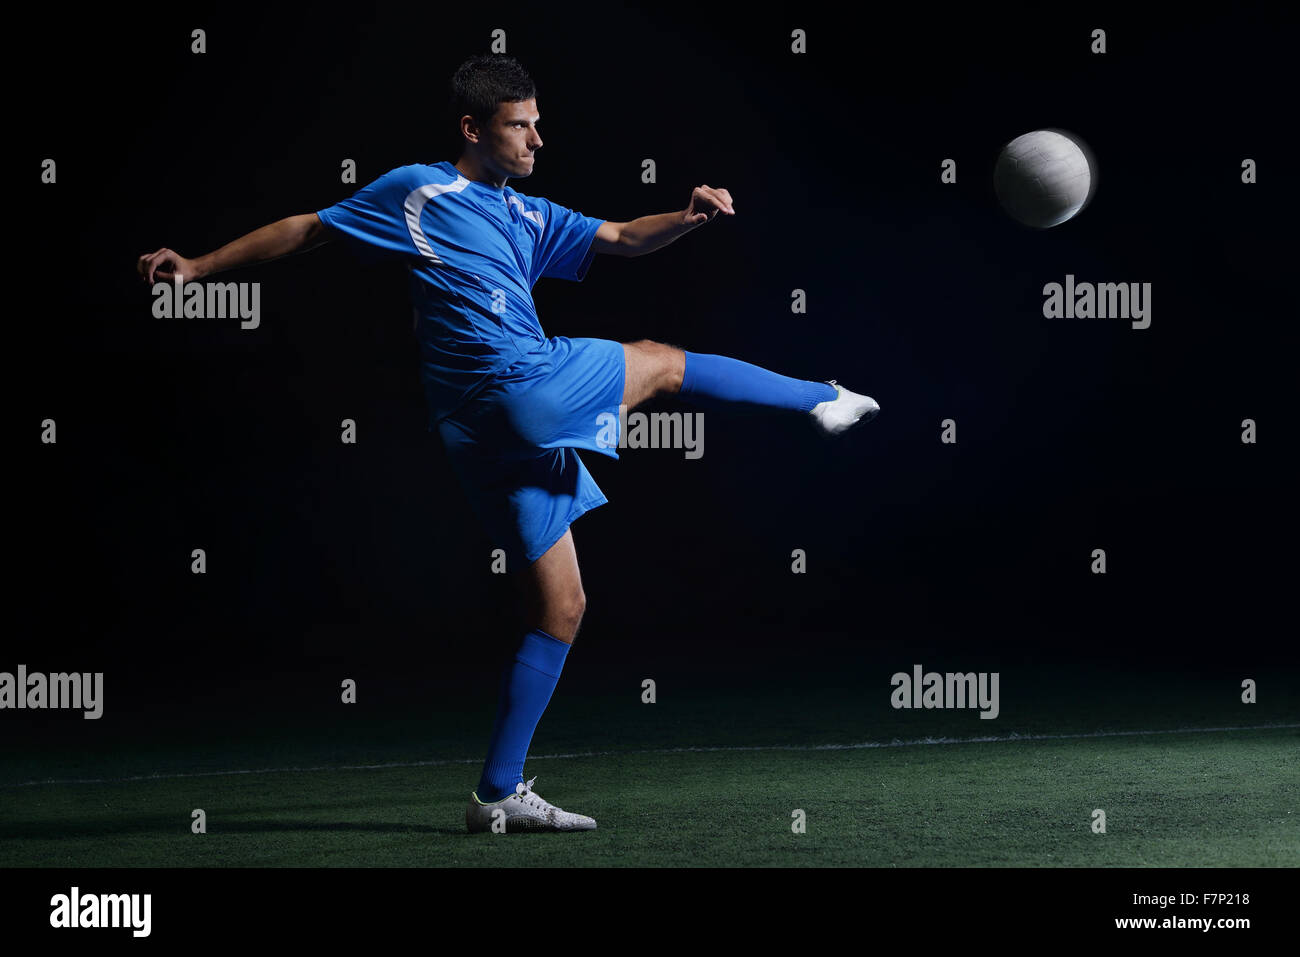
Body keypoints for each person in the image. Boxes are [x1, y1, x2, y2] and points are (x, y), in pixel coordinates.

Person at [136, 54, 878, 834]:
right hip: (515, 385)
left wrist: (686, 217)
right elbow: (311, 228)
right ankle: (820, 399)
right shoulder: (420, 190)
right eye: (519, 125)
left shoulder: (526, 214)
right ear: (473, 128)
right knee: (660, 362)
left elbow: (622, 235)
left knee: (560, 606)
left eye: (536, 122)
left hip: (477, 434)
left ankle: (495, 794)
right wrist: (200, 266)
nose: (536, 139)